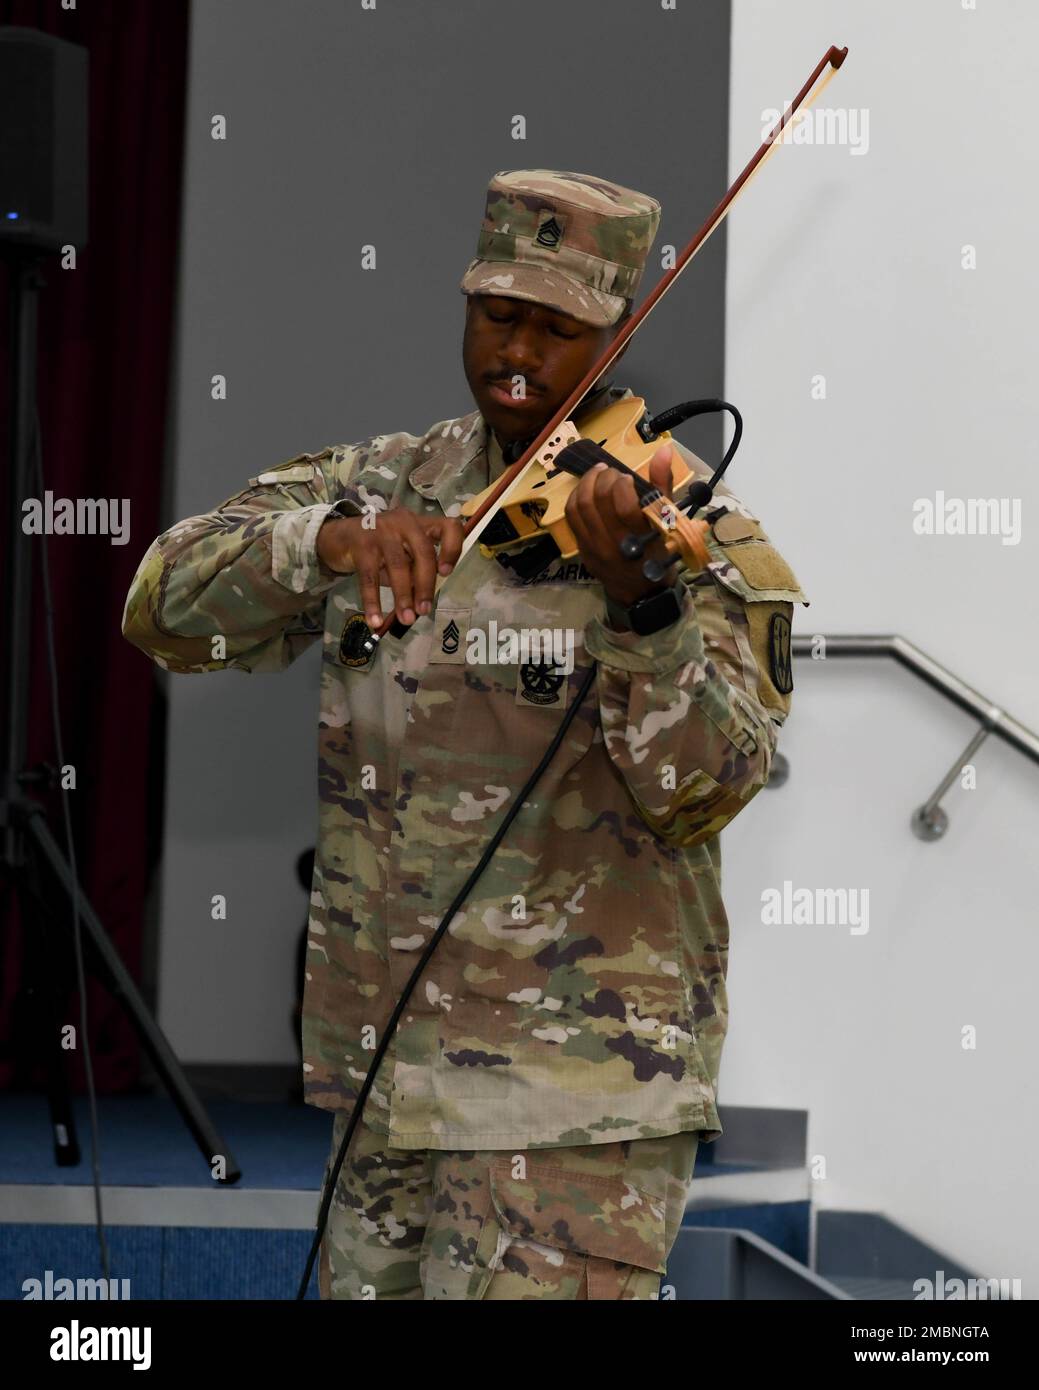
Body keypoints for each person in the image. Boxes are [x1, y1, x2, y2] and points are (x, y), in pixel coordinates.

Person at [122, 169, 807, 1300]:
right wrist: (323, 547)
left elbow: (710, 785)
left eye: (557, 329)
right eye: (498, 317)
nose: (518, 354)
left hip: (575, 1106)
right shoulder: (384, 483)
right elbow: (161, 605)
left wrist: (642, 615)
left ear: (616, 333)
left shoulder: (690, 532)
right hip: (381, 1079)